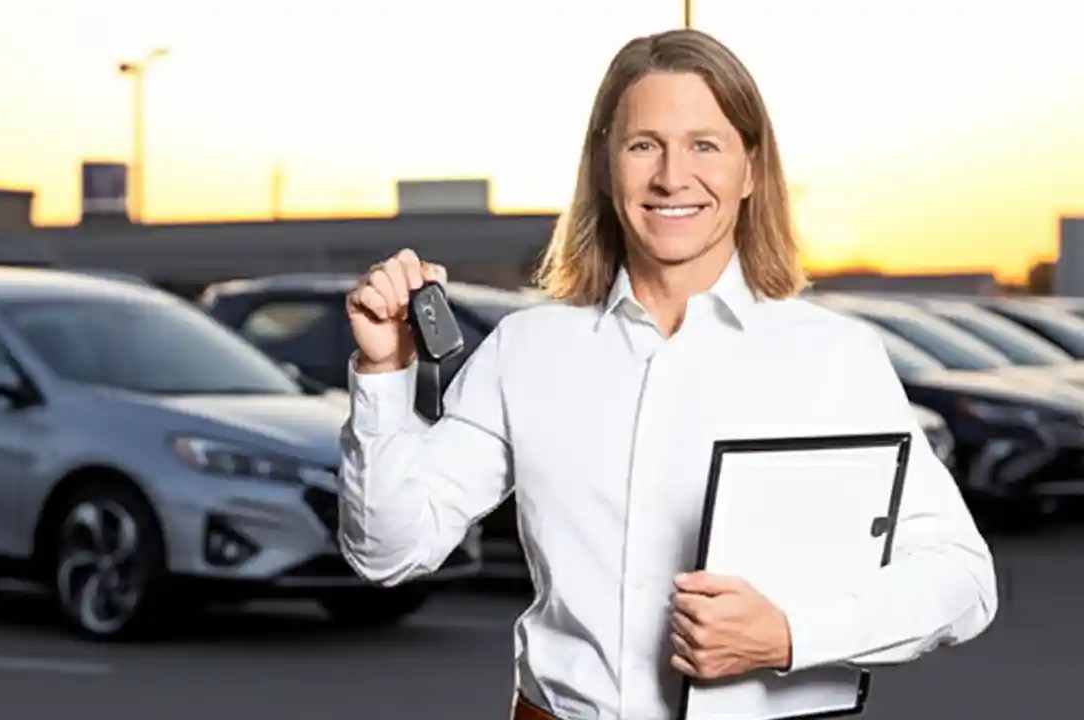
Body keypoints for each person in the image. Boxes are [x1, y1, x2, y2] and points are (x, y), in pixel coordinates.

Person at [337, 27, 998, 720]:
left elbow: (962, 579)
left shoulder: (833, 357)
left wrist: (790, 635)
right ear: (605, 166)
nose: (672, 176)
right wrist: (384, 371)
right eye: (643, 144)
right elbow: (388, 554)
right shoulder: (526, 350)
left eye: (703, 145)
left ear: (751, 171)